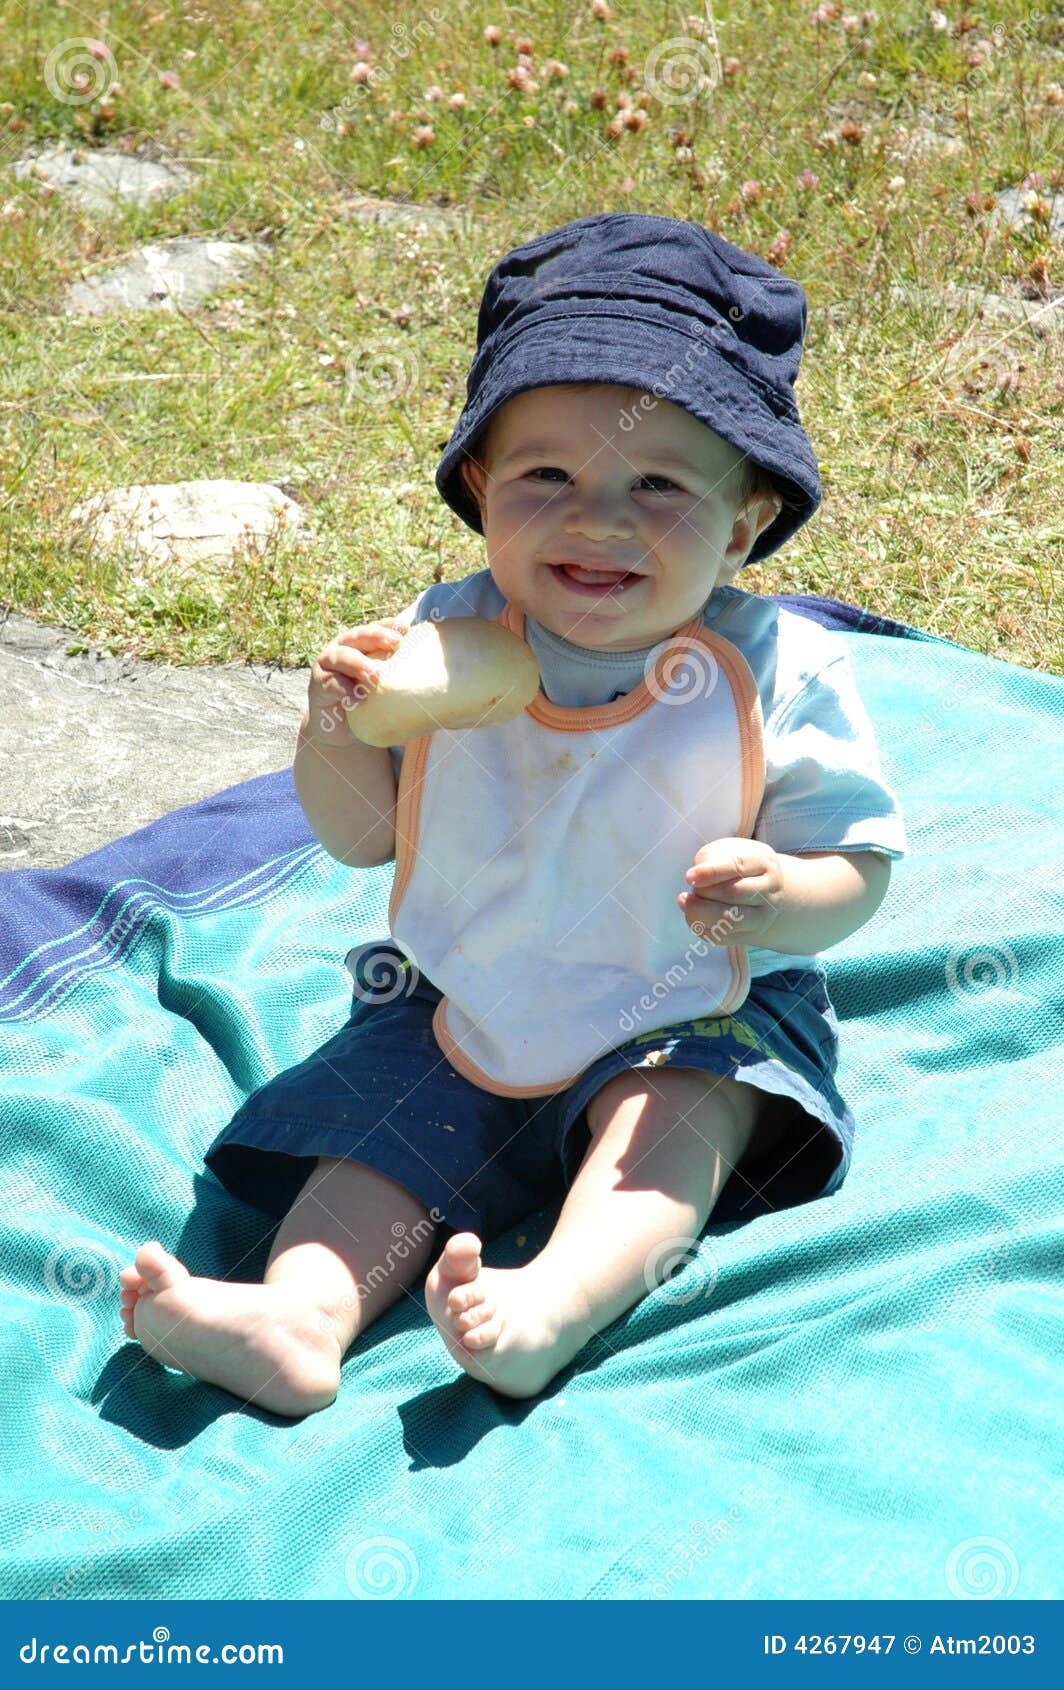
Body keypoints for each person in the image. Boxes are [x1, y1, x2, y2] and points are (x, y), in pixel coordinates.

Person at [119, 213, 907, 1417]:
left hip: (694, 991)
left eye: (656, 484)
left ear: (746, 518)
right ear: (481, 485)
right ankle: (301, 1311)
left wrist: (782, 893)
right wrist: (337, 725)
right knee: (382, 1117)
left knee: (676, 1108)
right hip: (470, 976)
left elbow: (859, 868)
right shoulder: (446, 637)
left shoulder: (772, 671)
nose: (598, 521)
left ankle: (555, 1301)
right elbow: (364, 836)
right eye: (548, 477)